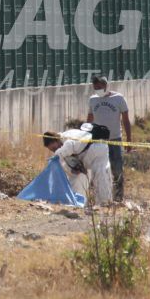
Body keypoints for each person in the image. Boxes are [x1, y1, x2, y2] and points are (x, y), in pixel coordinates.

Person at [87, 74, 132, 202]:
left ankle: (118, 198)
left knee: (117, 169)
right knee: (98, 170)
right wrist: (85, 137)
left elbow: (126, 120)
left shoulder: (118, 98)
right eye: (95, 88)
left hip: (115, 140)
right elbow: (89, 120)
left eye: (99, 87)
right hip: (98, 141)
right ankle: (99, 197)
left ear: (106, 86)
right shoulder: (93, 100)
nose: (97, 90)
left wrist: (129, 140)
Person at [42, 125, 113, 205]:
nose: (54, 151)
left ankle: (105, 204)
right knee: (76, 180)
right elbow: (69, 162)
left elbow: (68, 147)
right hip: (88, 154)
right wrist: (74, 169)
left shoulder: (67, 138)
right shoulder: (62, 145)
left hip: (98, 150)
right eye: (52, 150)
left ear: (55, 141)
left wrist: (55, 157)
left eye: (54, 148)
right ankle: (77, 203)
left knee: (101, 178)